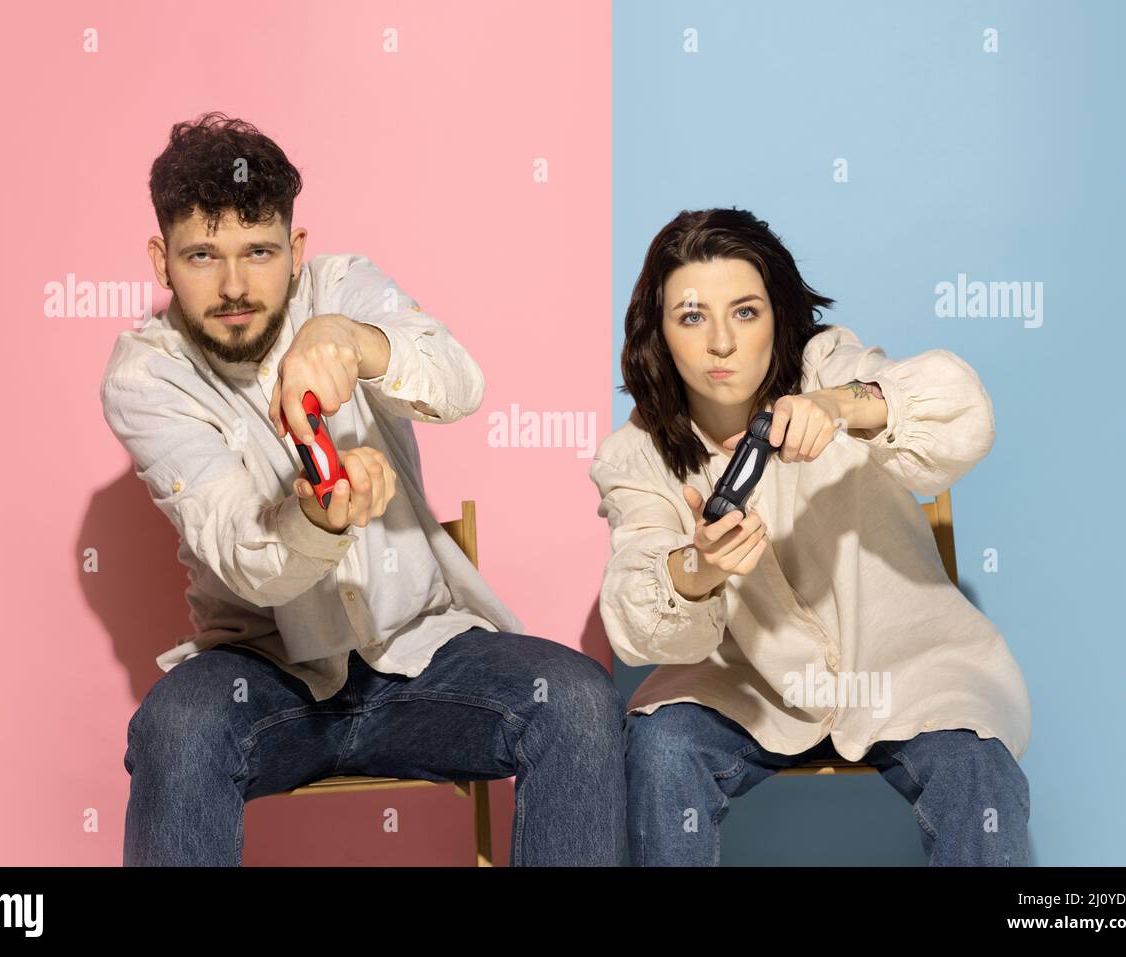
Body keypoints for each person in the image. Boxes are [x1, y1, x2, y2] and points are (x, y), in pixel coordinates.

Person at [101, 112, 624, 866]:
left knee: (576, 701)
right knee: (174, 726)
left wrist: (350, 339)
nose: (236, 285)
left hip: (423, 656)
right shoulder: (145, 376)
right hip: (265, 677)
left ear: (297, 249)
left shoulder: (343, 284)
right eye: (202, 255)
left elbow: (460, 382)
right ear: (160, 258)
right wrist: (318, 517)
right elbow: (241, 550)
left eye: (259, 251)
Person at [590, 208, 1031, 866]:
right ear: (659, 331)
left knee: (975, 764)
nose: (720, 343)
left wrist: (842, 405)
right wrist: (697, 567)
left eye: (744, 312)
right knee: (661, 743)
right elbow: (634, 598)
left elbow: (964, 409)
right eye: (691, 317)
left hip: (906, 670)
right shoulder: (634, 455)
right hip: (749, 685)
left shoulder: (828, 365)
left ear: (778, 314)